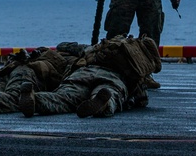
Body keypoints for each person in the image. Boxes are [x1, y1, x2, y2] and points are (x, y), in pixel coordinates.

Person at [18, 35, 162, 119]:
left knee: (64, 96)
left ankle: (35, 100)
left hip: (85, 71)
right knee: (111, 94)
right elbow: (139, 97)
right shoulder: (140, 68)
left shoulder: (103, 47)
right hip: (114, 78)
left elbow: (63, 46)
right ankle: (101, 103)